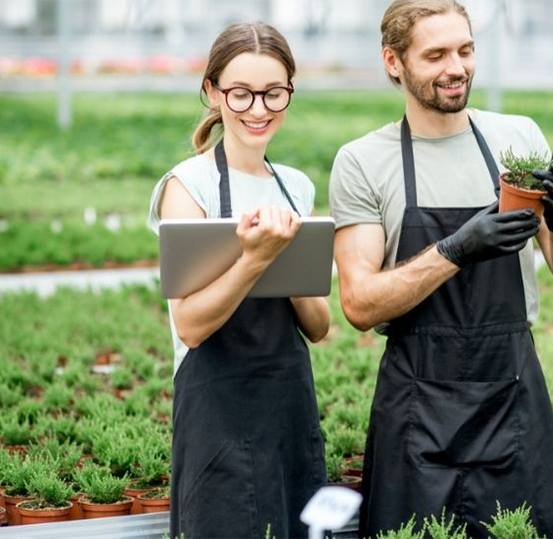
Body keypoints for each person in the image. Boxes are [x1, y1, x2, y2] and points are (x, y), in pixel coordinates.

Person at [328, 1, 553, 536]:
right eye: (436, 55)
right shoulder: (363, 161)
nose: (457, 68)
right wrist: (454, 250)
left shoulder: (517, 139)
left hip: (512, 393)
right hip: (417, 407)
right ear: (393, 62)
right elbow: (358, 304)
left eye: (466, 50)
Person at [147, 22, 329, 539]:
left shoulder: (296, 188)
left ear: (289, 91)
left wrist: (289, 258)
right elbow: (190, 326)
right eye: (241, 93)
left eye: (273, 93)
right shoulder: (189, 186)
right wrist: (255, 259)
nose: (258, 109)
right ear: (212, 91)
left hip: (288, 406)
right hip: (216, 415)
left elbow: (318, 327)